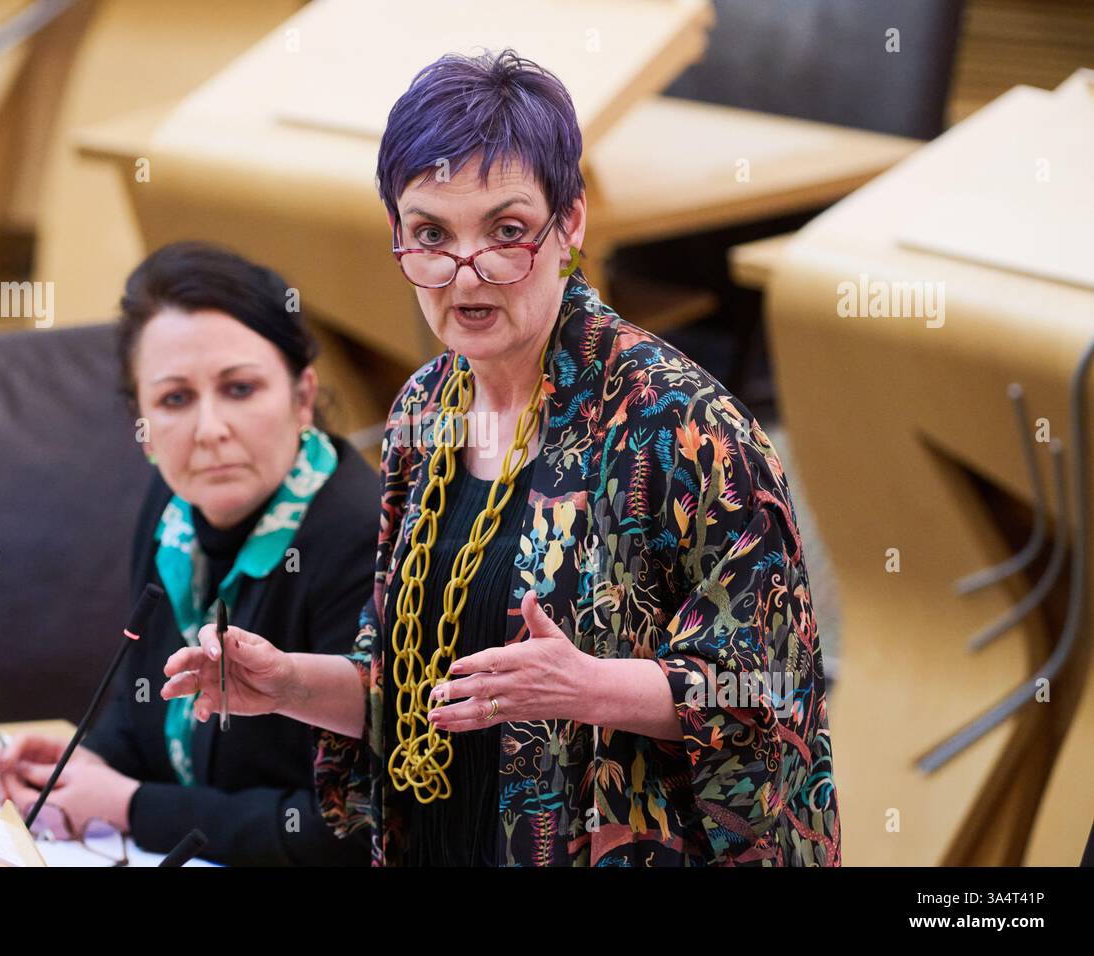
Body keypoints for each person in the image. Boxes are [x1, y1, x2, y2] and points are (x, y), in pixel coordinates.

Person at [163, 50, 840, 866]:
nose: (467, 271)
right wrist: (287, 686)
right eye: (431, 235)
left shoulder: (685, 427)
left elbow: (770, 697)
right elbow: (415, 691)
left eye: (508, 231)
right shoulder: (424, 409)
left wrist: (586, 687)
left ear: (572, 225)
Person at [0, 242, 377, 865]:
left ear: (303, 398)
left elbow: (348, 829)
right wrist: (87, 763)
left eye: (240, 388)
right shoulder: (170, 508)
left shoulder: (363, 539)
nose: (209, 430)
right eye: (174, 400)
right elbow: (140, 699)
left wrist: (131, 807)